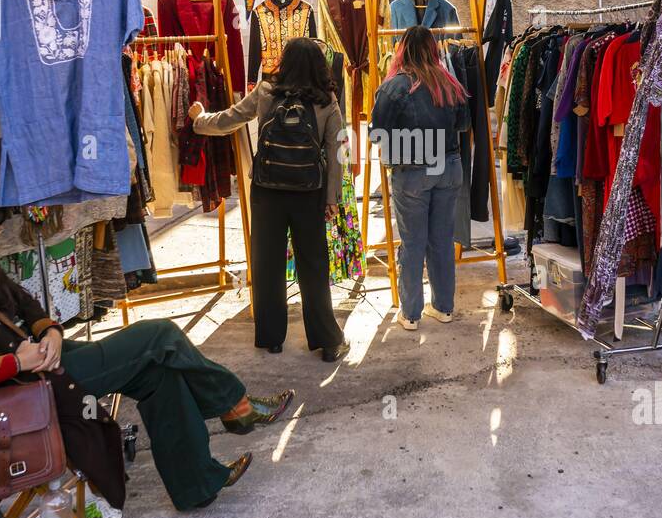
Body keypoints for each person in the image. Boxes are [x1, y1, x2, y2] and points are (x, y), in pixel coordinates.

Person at [0, 178, 294, 513]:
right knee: (160, 335)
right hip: (23, 391)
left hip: (39, 364)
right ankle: (235, 404)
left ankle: (198, 486)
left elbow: (22, 301)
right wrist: (15, 363)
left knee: (160, 373)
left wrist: (51, 329)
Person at [191, 37, 349, 362]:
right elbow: (337, 153)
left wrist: (198, 119)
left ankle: (272, 337)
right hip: (309, 192)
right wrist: (332, 198)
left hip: (267, 191)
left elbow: (228, 120)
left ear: (286, 63)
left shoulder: (265, 93)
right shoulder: (326, 101)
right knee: (314, 266)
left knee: (267, 264)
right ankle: (326, 340)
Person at [370, 24, 468, 330]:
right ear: (433, 49)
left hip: (412, 170)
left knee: (412, 243)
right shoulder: (450, 82)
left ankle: (410, 314)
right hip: (449, 166)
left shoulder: (395, 86)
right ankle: (444, 307)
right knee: (441, 240)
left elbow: (377, 134)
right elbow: (463, 125)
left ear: (402, 49)